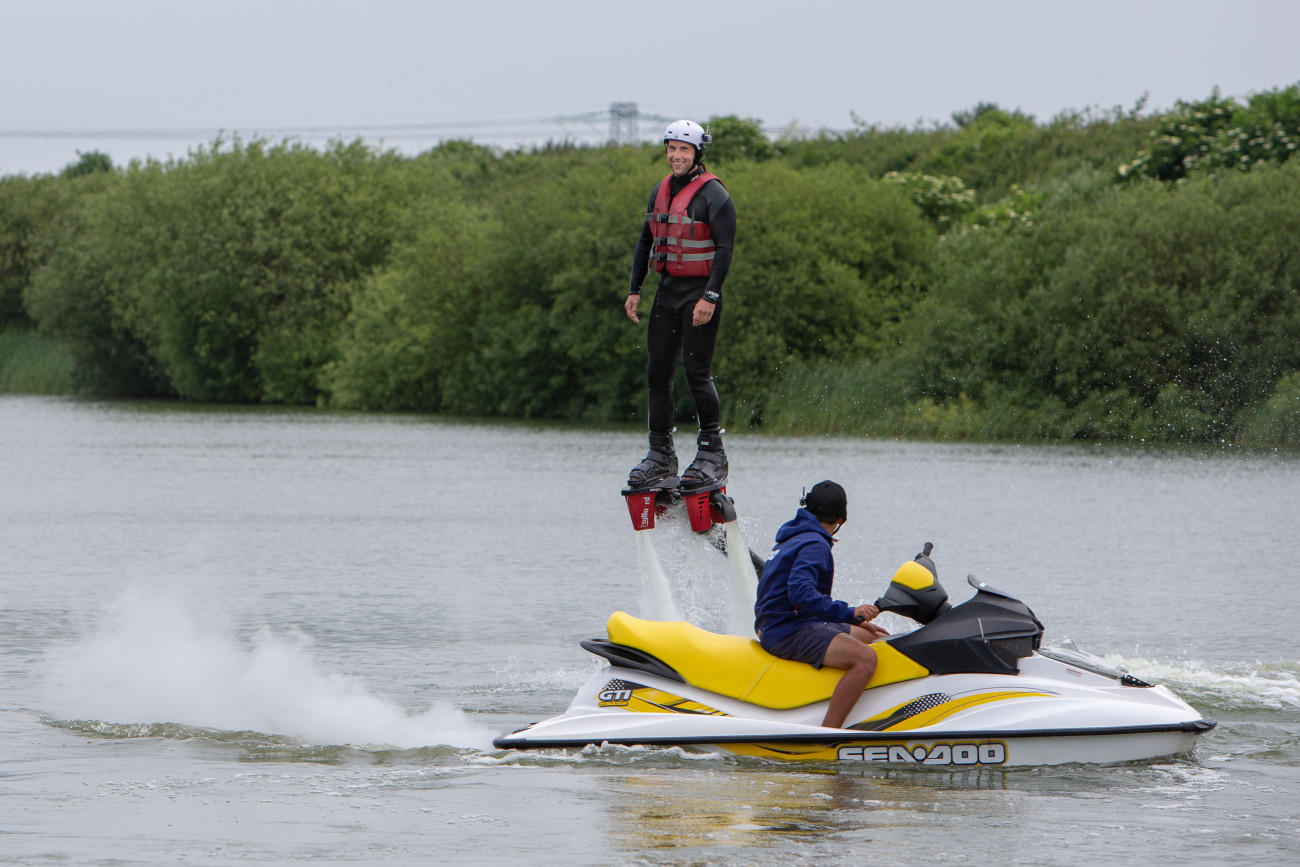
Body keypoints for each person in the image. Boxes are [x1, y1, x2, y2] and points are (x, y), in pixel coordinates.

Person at [624, 119, 737, 493]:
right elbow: (645, 241)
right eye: (671, 148)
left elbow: (724, 249)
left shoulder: (714, 194)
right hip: (667, 291)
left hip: (699, 293)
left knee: (696, 372)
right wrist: (634, 288)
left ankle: (711, 453)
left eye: (683, 149)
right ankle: (660, 453)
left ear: (697, 153)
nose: (676, 155)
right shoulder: (660, 190)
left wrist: (711, 296)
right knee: (657, 371)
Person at [753, 481, 890, 729]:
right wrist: (850, 612)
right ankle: (829, 733)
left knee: (878, 636)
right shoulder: (815, 544)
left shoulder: (794, 535)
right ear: (840, 519)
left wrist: (848, 620)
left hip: (784, 623)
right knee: (866, 659)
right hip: (786, 631)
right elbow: (800, 593)